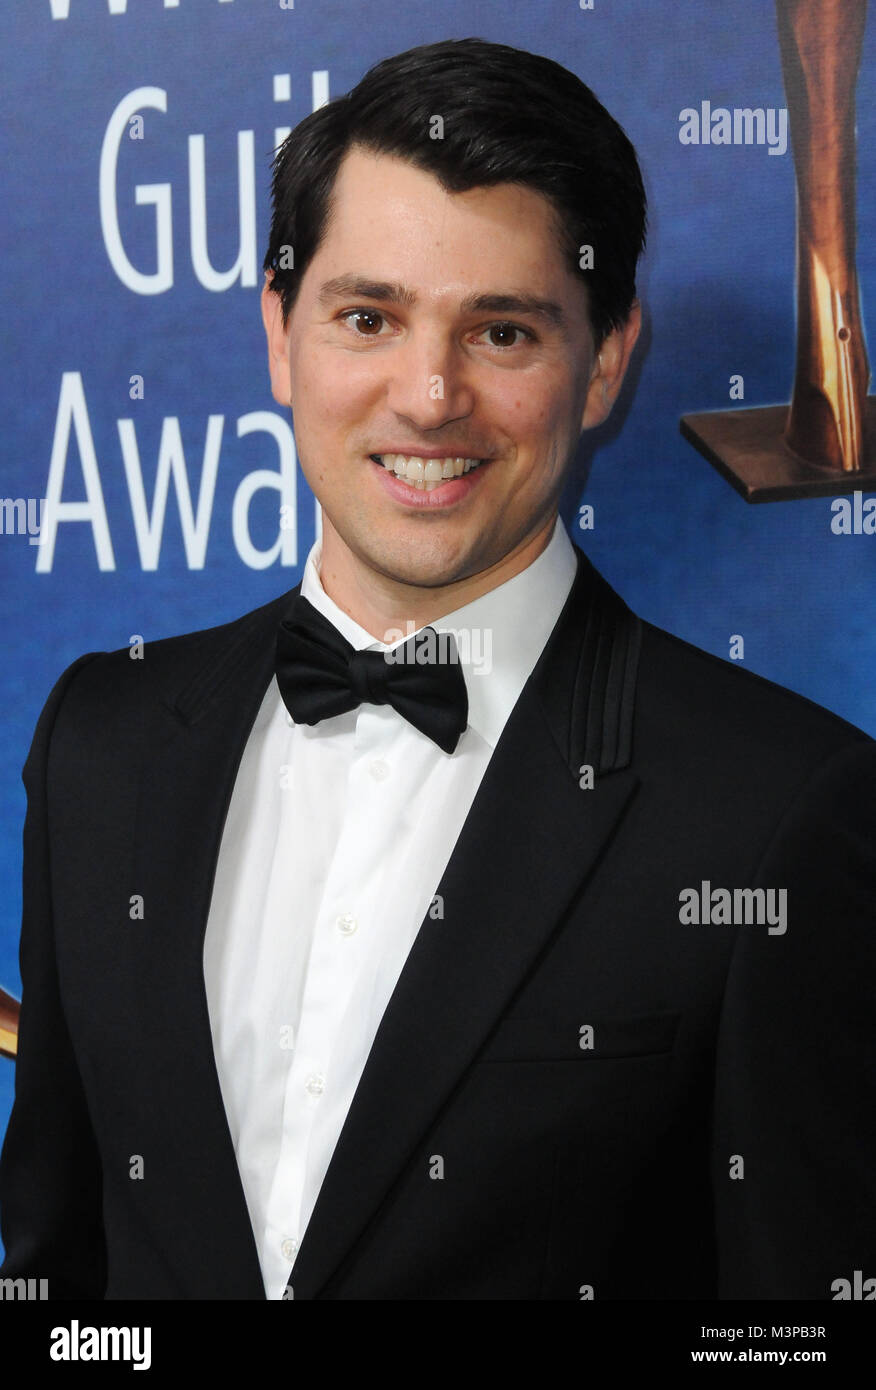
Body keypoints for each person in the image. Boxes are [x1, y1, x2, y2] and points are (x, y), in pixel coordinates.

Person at [1, 37, 874, 1302]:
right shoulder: (103, 739)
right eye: (368, 317)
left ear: (607, 362)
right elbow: (58, 1279)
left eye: (504, 331)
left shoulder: (779, 814)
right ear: (280, 337)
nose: (428, 395)